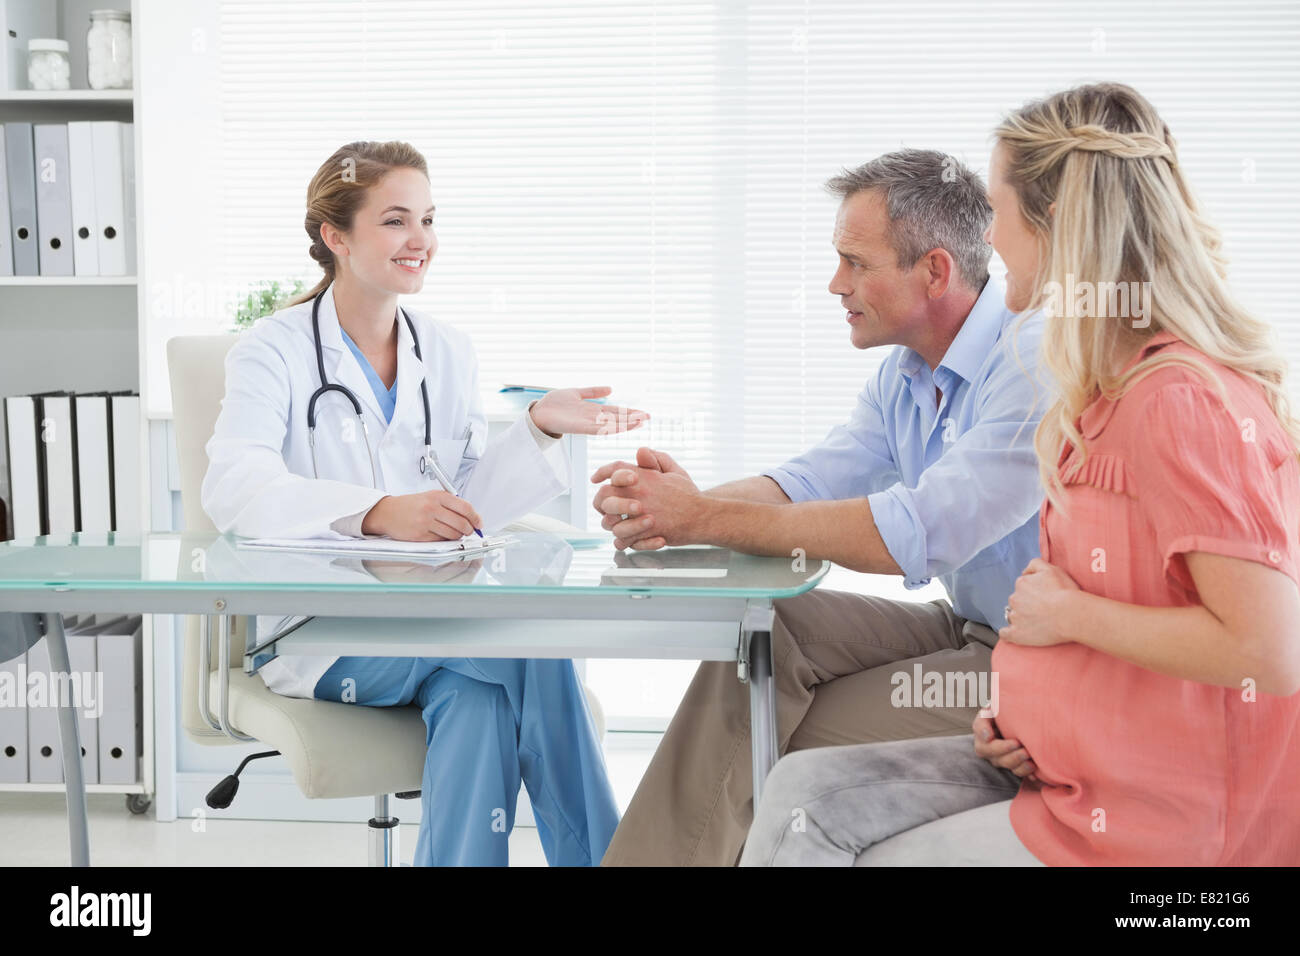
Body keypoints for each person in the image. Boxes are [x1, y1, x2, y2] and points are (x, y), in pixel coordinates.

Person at [741, 82, 1300, 866]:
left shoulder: (1176, 403)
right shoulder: (1100, 398)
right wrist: (1024, 719)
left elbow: (1270, 648)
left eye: (998, 207)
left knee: (839, 840)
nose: (986, 233)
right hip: (1071, 767)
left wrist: (1072, 621)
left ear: (1058, 227)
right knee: (800, 797)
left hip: (1161, 816)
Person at [592, 148, 1051, 866]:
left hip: (1042, 663)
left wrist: (700, 518)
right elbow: (807, 482)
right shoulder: (906, 375)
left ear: (934, 270)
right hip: (970, 628)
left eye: (855, 262)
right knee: (776, 629)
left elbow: (922, 532)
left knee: (762, 728)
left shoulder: (1031, 362)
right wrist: (674, 504)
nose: (836, 284)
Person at [201, 140, 648, 866]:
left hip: (435, 619)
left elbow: (464, 501)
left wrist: (536, 426)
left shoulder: (446, 350)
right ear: (335, 237)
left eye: (430, 220)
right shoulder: (271, 350)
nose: (422, 242)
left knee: (479, 704)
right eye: (397, 221)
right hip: (323, 632)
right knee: (531, 653)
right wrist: (377, 510)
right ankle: (610, 859)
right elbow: (233, 487)